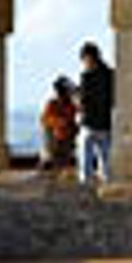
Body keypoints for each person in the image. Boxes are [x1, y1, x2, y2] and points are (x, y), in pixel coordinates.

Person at [77, 39, 115, 185]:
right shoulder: (111, 74)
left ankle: (86, 180)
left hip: (91, 122)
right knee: (105, 156)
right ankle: (106, 179)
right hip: (105, 121)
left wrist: (77, 97)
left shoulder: (87, 77)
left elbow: (84, 100)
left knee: (86, 153)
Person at [38, 75, 78, 174]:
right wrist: (61, 123)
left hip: (66, 140)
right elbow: (45, 120)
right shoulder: (53, 104)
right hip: (55, 140)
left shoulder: (71, 105)